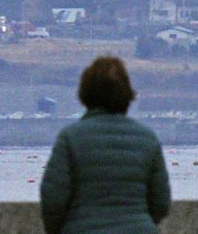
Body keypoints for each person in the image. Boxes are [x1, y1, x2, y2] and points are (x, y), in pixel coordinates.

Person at [39, 56, 171, 233]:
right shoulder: (148, 139)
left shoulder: (70, 138)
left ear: (85, 95)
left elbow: (53, 199)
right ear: (127, 95)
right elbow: (161, 202)